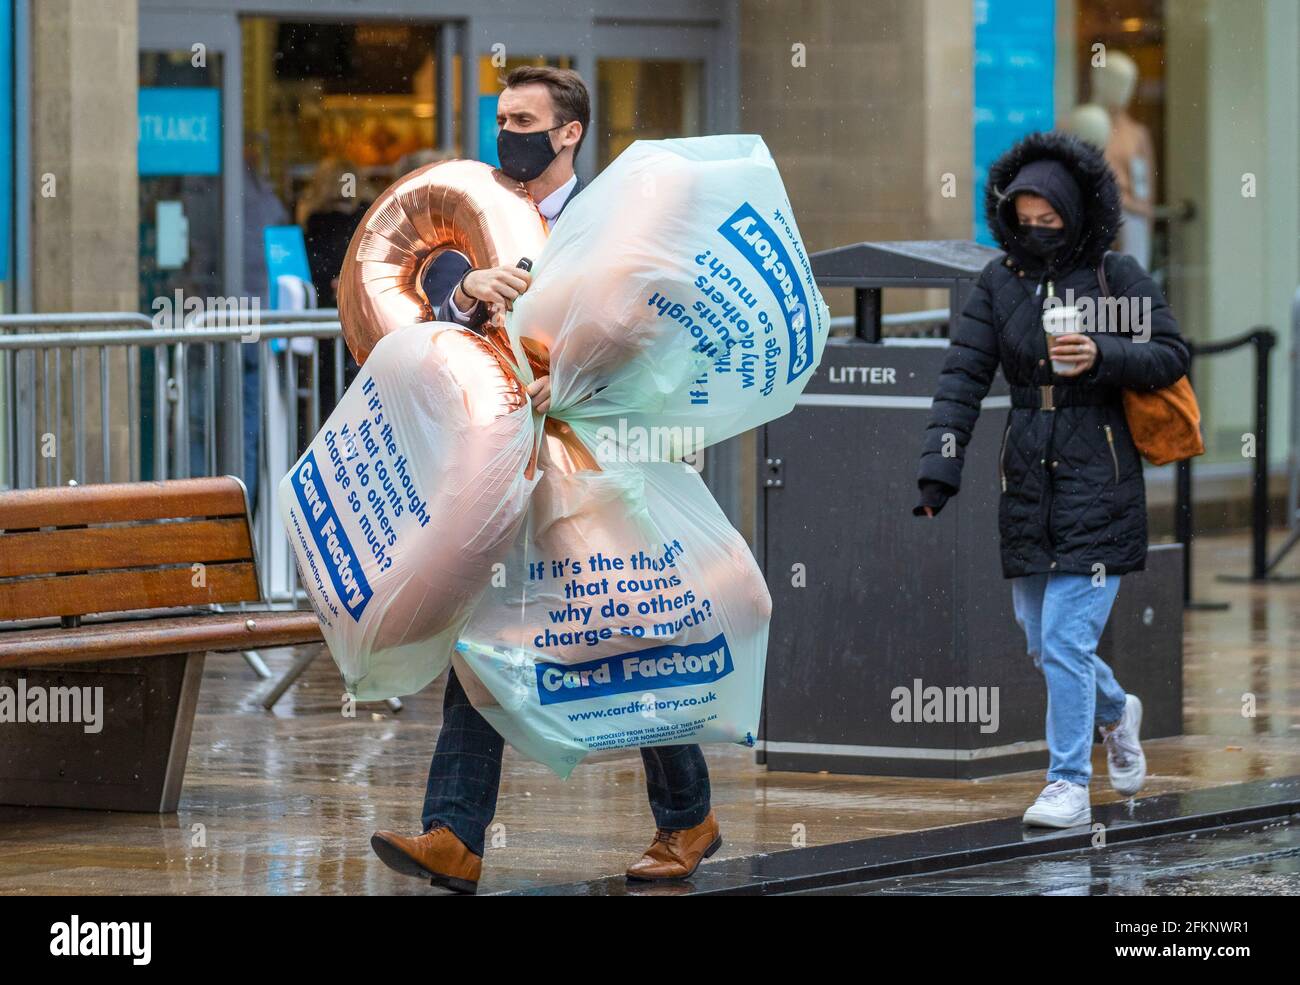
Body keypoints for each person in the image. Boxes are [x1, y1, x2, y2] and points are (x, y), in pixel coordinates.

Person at [369, 66, 721, 893]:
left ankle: (688, 816)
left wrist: (573, 378)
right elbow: (427, 328)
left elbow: (650, 337)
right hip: (496, 464)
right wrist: (462, 295)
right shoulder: (476, 215)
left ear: (569, 133)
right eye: (501, 118)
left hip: (591, 464)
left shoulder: (611, 225)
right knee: (479, 639)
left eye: (524, 119)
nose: (507, 133)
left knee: (627, 629)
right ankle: (453, 833)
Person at [913, 130, 1190, 829]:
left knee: (1066, 640)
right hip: (1026, 477)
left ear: (1074, 212)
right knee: (1043, 641)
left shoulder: (1114, 277)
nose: (1035, 232)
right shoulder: (998, 282)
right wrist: (938, 468)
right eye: (1023, 219)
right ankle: (1115, 709)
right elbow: (962, 378)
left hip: (1103, 474)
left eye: (1050, 220)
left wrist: (1101, 353)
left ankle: (1067, 781)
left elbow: (1170, 353)